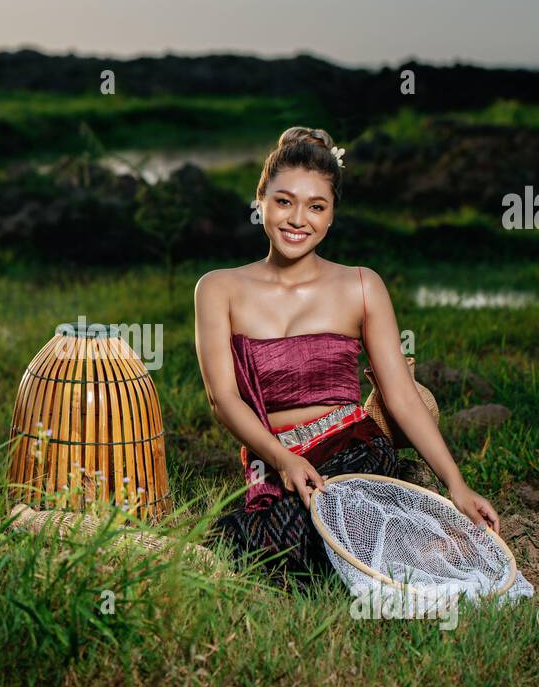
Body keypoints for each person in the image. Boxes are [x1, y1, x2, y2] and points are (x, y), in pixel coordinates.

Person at [194, 125, 500, 591]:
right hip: (275, 458)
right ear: (260, 200)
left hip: (352, 447)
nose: (298, 219)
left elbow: (400, 396)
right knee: (263, 547)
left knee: (336, 533)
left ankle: (413, 534)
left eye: (316, 206)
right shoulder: (218, 288)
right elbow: (222, 399)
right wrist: (281, 459)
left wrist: (457, 485)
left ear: (332, 215)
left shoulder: (361, 285)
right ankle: (400, 539)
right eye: (284, 201)